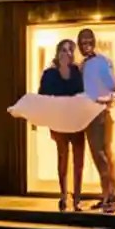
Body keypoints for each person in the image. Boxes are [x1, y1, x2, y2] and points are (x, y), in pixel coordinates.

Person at [37, 39, 86, 212]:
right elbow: (42, 95)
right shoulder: (49, 74)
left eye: (71, 50)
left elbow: (84, 94)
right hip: (59, 121)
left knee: (79, 159)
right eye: (64, 50)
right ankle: (63, 195)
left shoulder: (78, 72)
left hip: (77, 121)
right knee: (63, 156)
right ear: (58, 53)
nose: (67, 53)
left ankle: (77, 198)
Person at [78, 28, 115, 213]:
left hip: (101, 114)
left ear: (94, 42)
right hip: (89, 115)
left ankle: (111, 197)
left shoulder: (103, 62)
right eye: (82, 41)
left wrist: (102, 100)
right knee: (99, 155)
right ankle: (106, 196)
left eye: (89, 40)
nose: (86, 44)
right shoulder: (81, 66)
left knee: (103, 155)